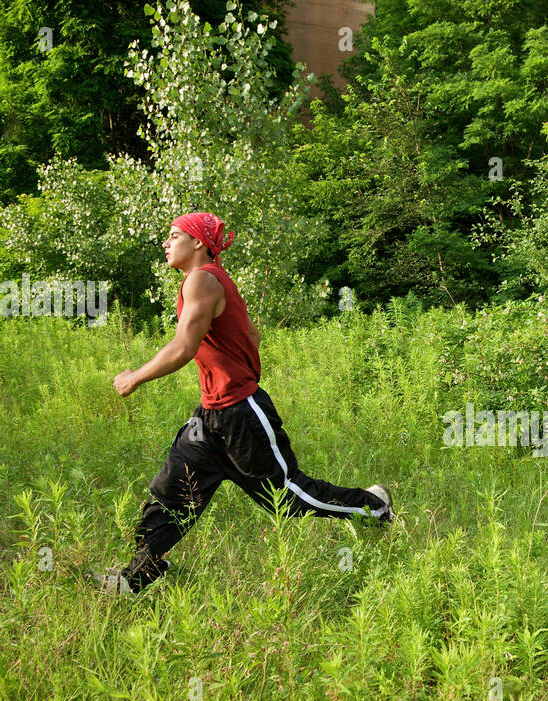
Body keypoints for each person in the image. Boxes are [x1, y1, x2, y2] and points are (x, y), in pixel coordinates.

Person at [91, 212, 393, 595]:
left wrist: (135, 376)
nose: (165, 244)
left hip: (241, 415)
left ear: (198, 242)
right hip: (210, 417)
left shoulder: (202, 279)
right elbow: (251, 332)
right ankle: (136, 578)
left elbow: (184, 347)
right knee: (170, 492)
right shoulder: (207, 282)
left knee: (288, 497)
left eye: (173, 236)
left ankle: (375, 507)